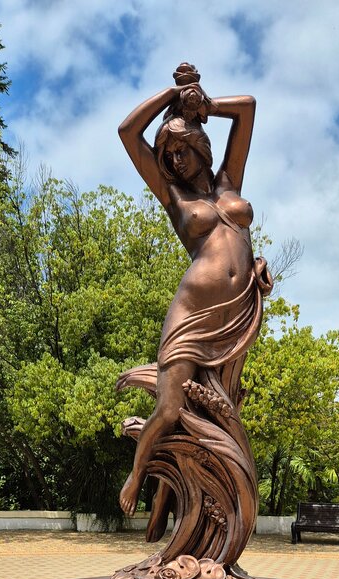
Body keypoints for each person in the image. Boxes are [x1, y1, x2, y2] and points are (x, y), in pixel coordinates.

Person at [116, 64, 271, 517]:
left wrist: (203, 104)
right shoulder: (174, 197)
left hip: (234, 313)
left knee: (219, 407)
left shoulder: (229, 183)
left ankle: (201, 500)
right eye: (168, 156)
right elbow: (127, 133)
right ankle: (138, 474)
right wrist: (173, 96)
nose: (175, 161)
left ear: (200, 147)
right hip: (191, 316)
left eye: (181, 150)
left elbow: (247, 109)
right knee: (170, 409)